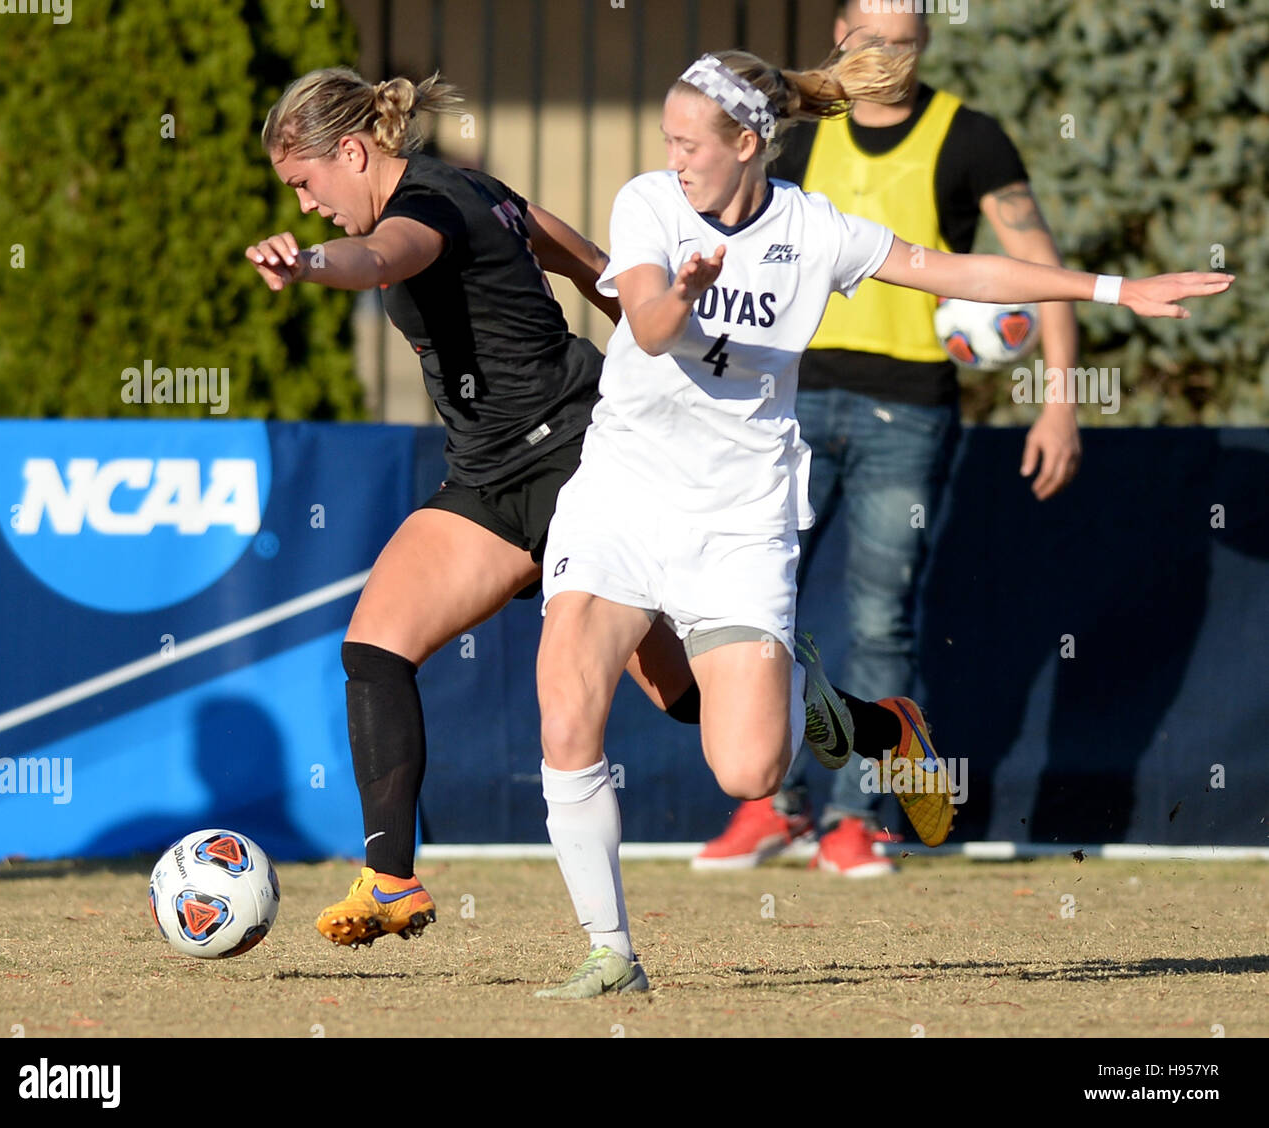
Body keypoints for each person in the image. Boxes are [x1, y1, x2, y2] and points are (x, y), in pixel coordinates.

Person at [533, 45, 1231, 998]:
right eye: (669, 138)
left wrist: (1115, 291)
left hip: (739, 515)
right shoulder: (648, 202)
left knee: (746, 770)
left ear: (749, 143)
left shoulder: (815, 231)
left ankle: (840, 713)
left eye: (691, 140)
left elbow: (957, 271)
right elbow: (647, 323)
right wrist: (680, 298)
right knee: (567, 696)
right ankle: (612, 952)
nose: (675, 154)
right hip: (622, 490)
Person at [245, 65, 709, 948]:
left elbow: (378, 258)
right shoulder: (481, 191)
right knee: (375, 647)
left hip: (583, 466)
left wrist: (306, 264)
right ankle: (390, 880)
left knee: (698, 702)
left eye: (305, 184)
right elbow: (595, 271)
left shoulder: (426, 210)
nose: (306, 205)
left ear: (351, 151)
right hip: (491, 478)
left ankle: (872, 724)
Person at [696, 2, 1085, 877]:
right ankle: (770, 805)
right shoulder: (793, 135)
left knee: (879, 619)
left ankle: (858, 818)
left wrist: (1060, 401)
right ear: (839, 32)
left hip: (908, 411)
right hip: (786, 403)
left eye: (907, 41)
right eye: (873, 39)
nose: (890, 57)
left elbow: (1038, 264)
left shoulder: (969, 136)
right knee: (757, 608)